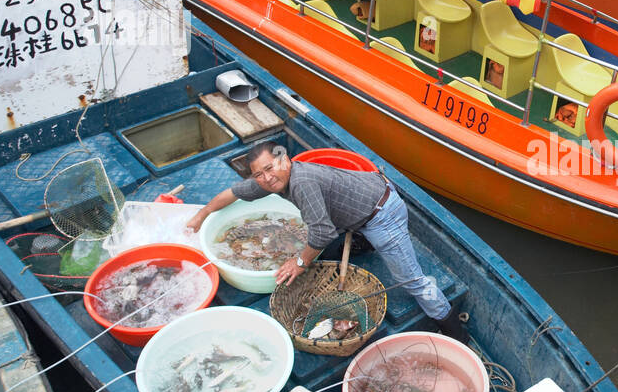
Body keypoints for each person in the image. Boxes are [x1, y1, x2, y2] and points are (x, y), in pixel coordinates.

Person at [186, 142, 466, 341]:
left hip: (383, 215)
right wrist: (201, 214)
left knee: (411, 279)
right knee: (325, 249)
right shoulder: (272, 181)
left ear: (285, 160)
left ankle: (453, 329)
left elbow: (321, 233)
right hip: (363, 199)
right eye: (259, 174)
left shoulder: (302, 183)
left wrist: (298, 261)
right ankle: (363, 241)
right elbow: (233, 192)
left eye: (270, 168)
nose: (266, 178)